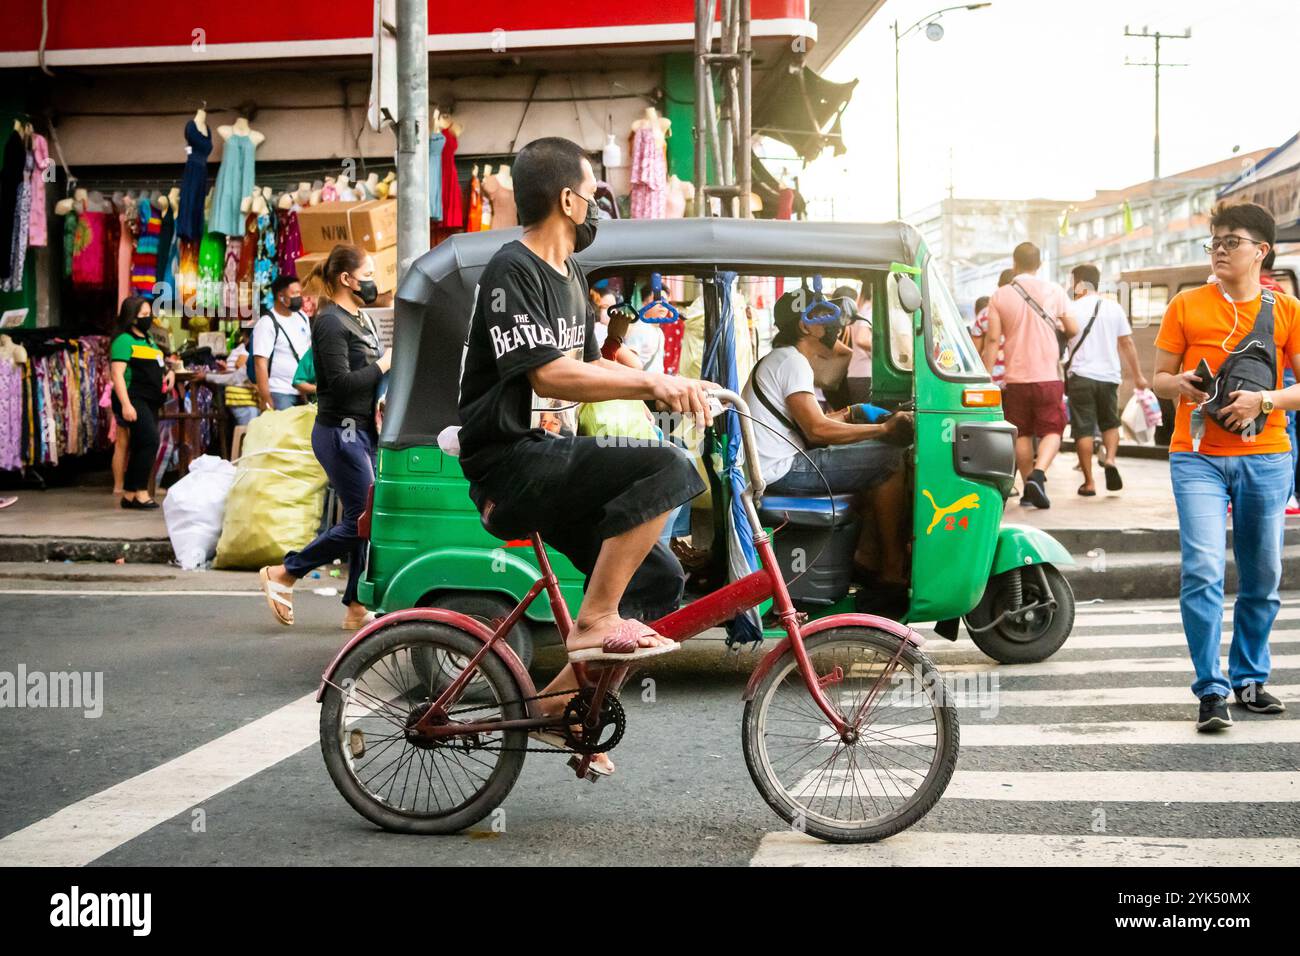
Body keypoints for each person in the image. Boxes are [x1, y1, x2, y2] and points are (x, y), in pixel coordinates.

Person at [457, 137, 713, 773]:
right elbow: (550, 375)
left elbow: (588, 363)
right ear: (569, 199)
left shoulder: (570, 276)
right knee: (670, 465)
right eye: (595, 189)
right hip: (509, 463)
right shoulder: (511, 271)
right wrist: (651, 384)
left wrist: (650, 373)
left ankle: (566, 711)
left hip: (552, 453)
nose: (602, 200)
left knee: (660, 579)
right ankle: (595, 616)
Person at [1153, 200, 1298, 731]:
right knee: (1204, 569)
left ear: (1261, 250)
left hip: (1266, 454)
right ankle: (1210, 689)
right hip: (1197, 458)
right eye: (1213, 241)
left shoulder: (1287, 311)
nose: (1218, 250)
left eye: (1230, 241)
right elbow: (1159, 379)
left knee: (1263, 575)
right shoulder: (1187, 305)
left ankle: (1251, 679)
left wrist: (1265, 402)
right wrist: (1181, 384)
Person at [742, 289, 914, 615]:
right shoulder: (793, 362)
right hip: (783, 470)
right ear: (806, 327)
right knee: (889, 459)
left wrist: (850, 414)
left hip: (776, 465)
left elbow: (817, 412)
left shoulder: (784, 358)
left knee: (871, 459)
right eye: (825, 316)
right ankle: (891, 570)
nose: (836, 322)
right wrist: (883, 430)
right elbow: (816, 430)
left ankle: (866, 554)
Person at [258, 244, 391, 631]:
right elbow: (338, 384)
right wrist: (384, 364)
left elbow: (367, 381)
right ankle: (285, 571)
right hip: (339, 432)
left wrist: (380, 398)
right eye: (367, 274)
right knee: (363, 519)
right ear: (346, 279)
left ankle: (354, 606)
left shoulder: (361, 318)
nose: (372, 281)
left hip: (363, 429)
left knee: (367, 518)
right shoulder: (331, 322)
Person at [983, 242, 1078, 508]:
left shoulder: (1000, 295)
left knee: (1021, 433)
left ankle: (1029, 488)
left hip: (1015, 378)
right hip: (1048, 375)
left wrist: (984, 377)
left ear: (1014, 263)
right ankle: (1038, 474)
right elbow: (1073, 328)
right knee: (1053, 430)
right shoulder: (1054, 291)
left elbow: (992, 340)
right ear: (1039, 265)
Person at [1064, 263, 1149, 496]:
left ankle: (1089, 482)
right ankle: (1110, 459)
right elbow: (1127, 343)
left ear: (1079, 282)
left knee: (1083, 430)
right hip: (1109, 377)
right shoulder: (1114, 308)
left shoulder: (1070, 309)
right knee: (1110, 423)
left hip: (1080, 376)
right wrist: (1138, 375)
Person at [109, 295, 173, 509]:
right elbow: (117, 375)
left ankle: (129, 495)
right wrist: (126, 405)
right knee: (150, 441)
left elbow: (159, 364)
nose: (148, 318)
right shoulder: (123, 341)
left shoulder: (149, 340)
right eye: (144, 315)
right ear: (132, 318)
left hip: (150, 399)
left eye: (149, 314)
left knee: (140, 444)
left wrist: (168, 374)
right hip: (133, 398)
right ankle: (141, 491)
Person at [251, 275, 312, 412]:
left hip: (303, 391)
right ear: (281, 296)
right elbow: (260, 363)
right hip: (280, 392)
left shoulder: (302, 317)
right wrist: (266, 398)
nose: (299, 297)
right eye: (294, 294)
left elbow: (308, 351)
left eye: (300, 293)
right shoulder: (267, 323)